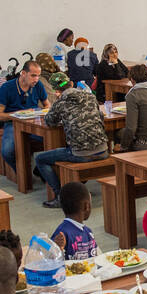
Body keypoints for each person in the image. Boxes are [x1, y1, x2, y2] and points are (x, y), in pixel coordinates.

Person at [37, 76, 111, 207]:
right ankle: (77, 186)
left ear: (56, 91)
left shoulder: (61, 103)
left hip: (80, 154)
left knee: (40, 159)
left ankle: (59, 196)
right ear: (71, 83)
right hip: (103, 149)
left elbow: (49, 122)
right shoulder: (91, 97)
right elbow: (99, 117)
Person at [0, 60, 48, 171]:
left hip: (35, 122)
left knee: (55, 139)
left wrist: (43, 111)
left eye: (38, 76)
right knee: (7, 151)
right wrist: (17, 115)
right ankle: (22, 172)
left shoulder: (38, 85)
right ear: (23, 73)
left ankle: (40, 170)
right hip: (13, 124)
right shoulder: (7, 87)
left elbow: (47, 105)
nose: (36, 79)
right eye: (33, 75)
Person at [49, 181, 99, 260]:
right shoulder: (61, 234)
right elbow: (49, 262)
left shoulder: (88, 232)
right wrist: (56, 249)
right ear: (86, 206)